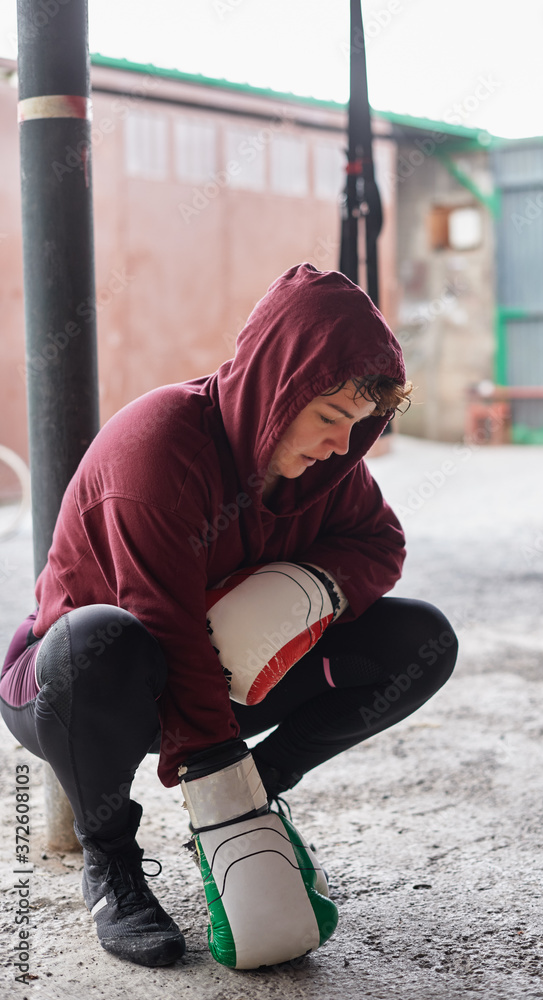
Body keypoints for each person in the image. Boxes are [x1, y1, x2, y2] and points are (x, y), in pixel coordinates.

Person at [0, 262, 458, 968]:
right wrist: (222, 802)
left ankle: (267, 785)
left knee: (419, 639)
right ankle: (110, 863)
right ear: (279, 386)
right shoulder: (158, 445)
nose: (341, 446)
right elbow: (168, 628)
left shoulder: (329, 467)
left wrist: (298, 590)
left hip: (222, 679)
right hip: (84, 691)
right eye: (329, 418)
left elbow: (381, 543)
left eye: (358, 426)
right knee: (103, 640)